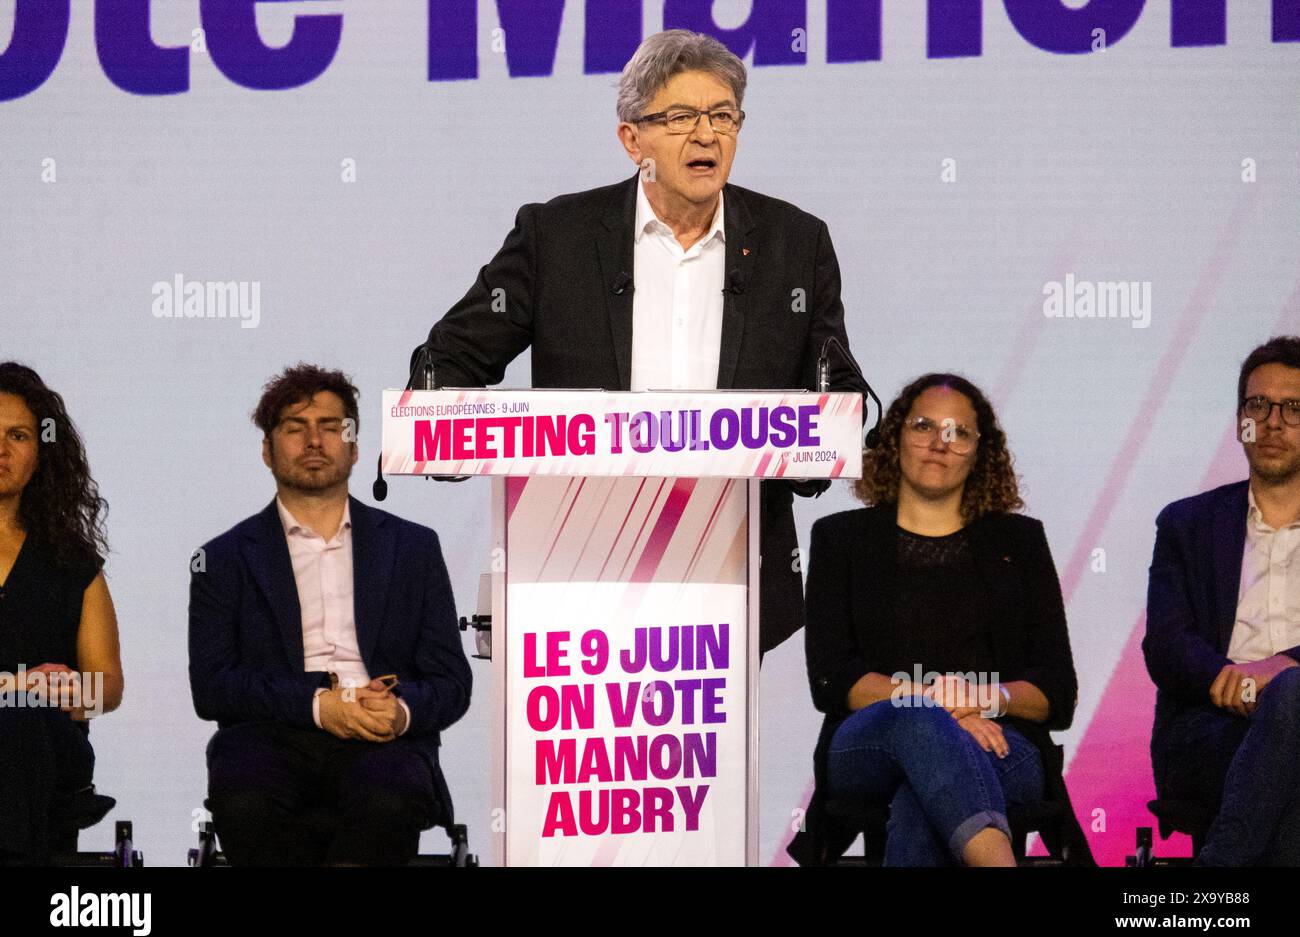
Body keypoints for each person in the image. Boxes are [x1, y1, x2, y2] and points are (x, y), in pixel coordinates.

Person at [411, 29, 866, 656]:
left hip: (731, 574)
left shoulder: (795, 243)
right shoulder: (558, 236)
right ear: (633, 140)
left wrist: (823, 439)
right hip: (577, 567)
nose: (707, 135)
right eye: (681, 117)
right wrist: (450, 432)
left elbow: (834, 385)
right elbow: (448, 360)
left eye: (723, 116)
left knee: (711, 757)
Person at [788, 373, 1084, 866]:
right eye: (924, 425)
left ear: (980, 452)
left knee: (923, 799)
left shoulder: (1020, 542)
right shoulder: (841, 539)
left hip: (1003, 741)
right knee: (920, 726)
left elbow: (1057, 692)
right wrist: (936, 706)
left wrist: (983, 699)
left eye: (959, 432)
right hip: (869, 740)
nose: (939, 443)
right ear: (896, 436)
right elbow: (832, 679)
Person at [188, 364, 473, 866]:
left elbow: (451, 681)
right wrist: (320, 705)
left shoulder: (413, 548)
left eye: (331, 427)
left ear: (356, 446)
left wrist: (400, 710)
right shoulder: (222, 559)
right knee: (247, 804)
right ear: (266, 450)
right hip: (269, 735)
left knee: (390, 802)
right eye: (295, 428)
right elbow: (213, 686)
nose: (314, 440)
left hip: (381, 736)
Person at [1143, 335, 1300, 865]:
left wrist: (1284, 674)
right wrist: (1231, 682)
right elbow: (1165, 643)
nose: (1273, 422)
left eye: (1294, 408)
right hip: (1211, 728)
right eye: (1258, 405)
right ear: (1240, 423)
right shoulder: (1187, 523)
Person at [0, 363, 123, 865]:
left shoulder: (73, 565)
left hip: (46, 750)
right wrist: (17, 686)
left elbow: (107, 689)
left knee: (19, 723)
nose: (1, 449)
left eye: (19, 435)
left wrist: (73, 692)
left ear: (40, 454)